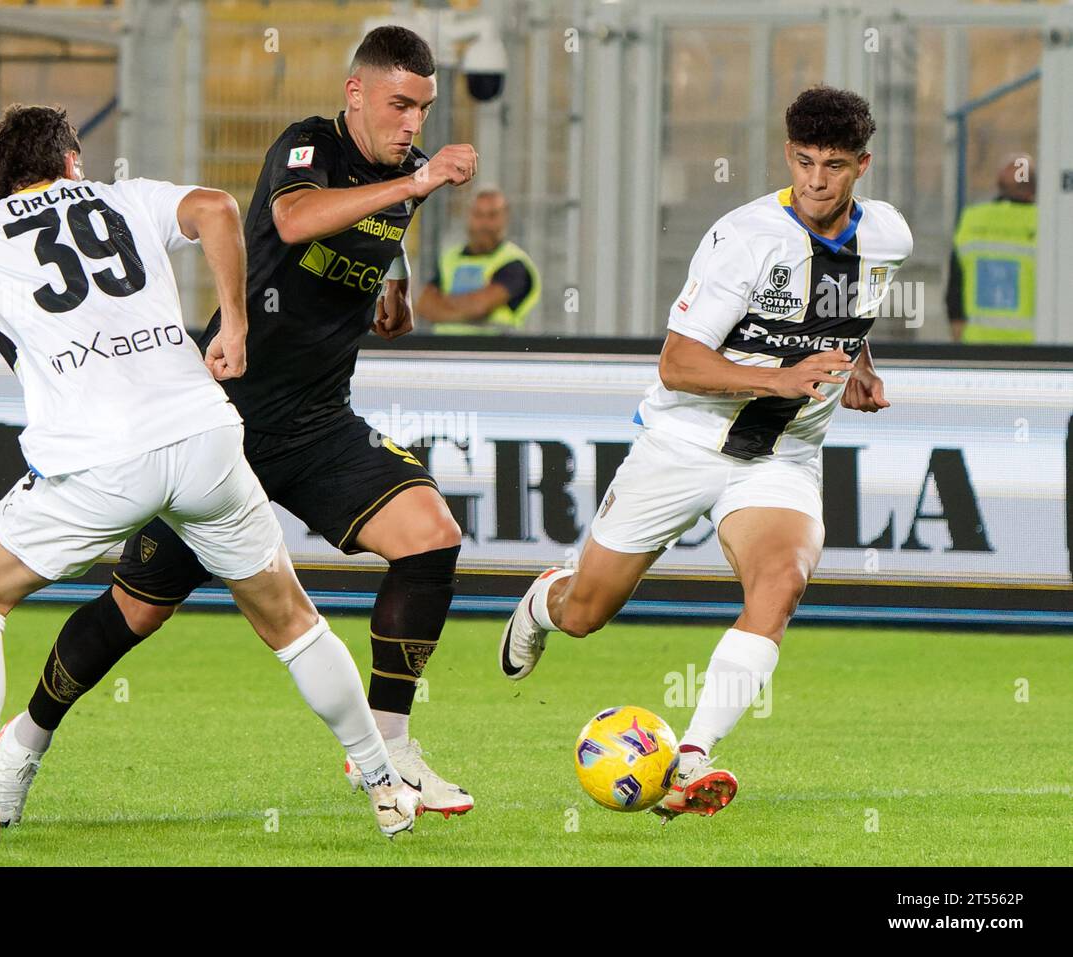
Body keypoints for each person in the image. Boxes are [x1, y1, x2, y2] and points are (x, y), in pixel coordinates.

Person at [0, 103, 420, 846]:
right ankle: (384, 784)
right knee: (290, 618)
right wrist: (233, 325)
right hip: (206, 436)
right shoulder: (121, 197)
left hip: (101, 458)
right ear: (72, 160)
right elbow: (214, 208)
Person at [0, 25, 480, 825]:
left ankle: (394, 746)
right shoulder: (307, 147)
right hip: (225, 423)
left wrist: (393, 282)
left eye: (423, 109)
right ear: (355, 91)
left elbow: (369, 231)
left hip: (320, 423)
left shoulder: (396, 172)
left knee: (429, 537)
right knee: (136, 609)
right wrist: (419, 182)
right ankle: (22, 745)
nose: (411, 124)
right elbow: (293, 222)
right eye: (399, 104)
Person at [499, 86, 912, 821]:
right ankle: (543, 599)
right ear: (789, 155)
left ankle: (691, 757)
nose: (817, 181)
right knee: (588, 612)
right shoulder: (744, 238)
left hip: (783, 454)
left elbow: (853, 309)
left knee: (781, 581)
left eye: (836, 166)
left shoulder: (890, 238)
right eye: (805, 162)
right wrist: (779, 377)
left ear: (863, 166)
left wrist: (861, 364)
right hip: (684, 442)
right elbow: (677, 362)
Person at [417, 188, 540, 334]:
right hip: (447, 353)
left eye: (492, 215)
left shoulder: (514, 263)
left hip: (493, 352)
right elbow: (424, 306)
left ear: (505, 218)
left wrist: (442, 306)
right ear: (468, 216)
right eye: (478, 215)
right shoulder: (449, 258)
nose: (484, 223)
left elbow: (478, 307)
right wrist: (468, 308)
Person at [946, 153, 1037, 344]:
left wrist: (957, 338)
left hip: (978, 345)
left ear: (999, 184)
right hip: (1035, 347)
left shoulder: (973, 218)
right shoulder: (1048, 223)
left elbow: (954, 286)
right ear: (1034, 188)